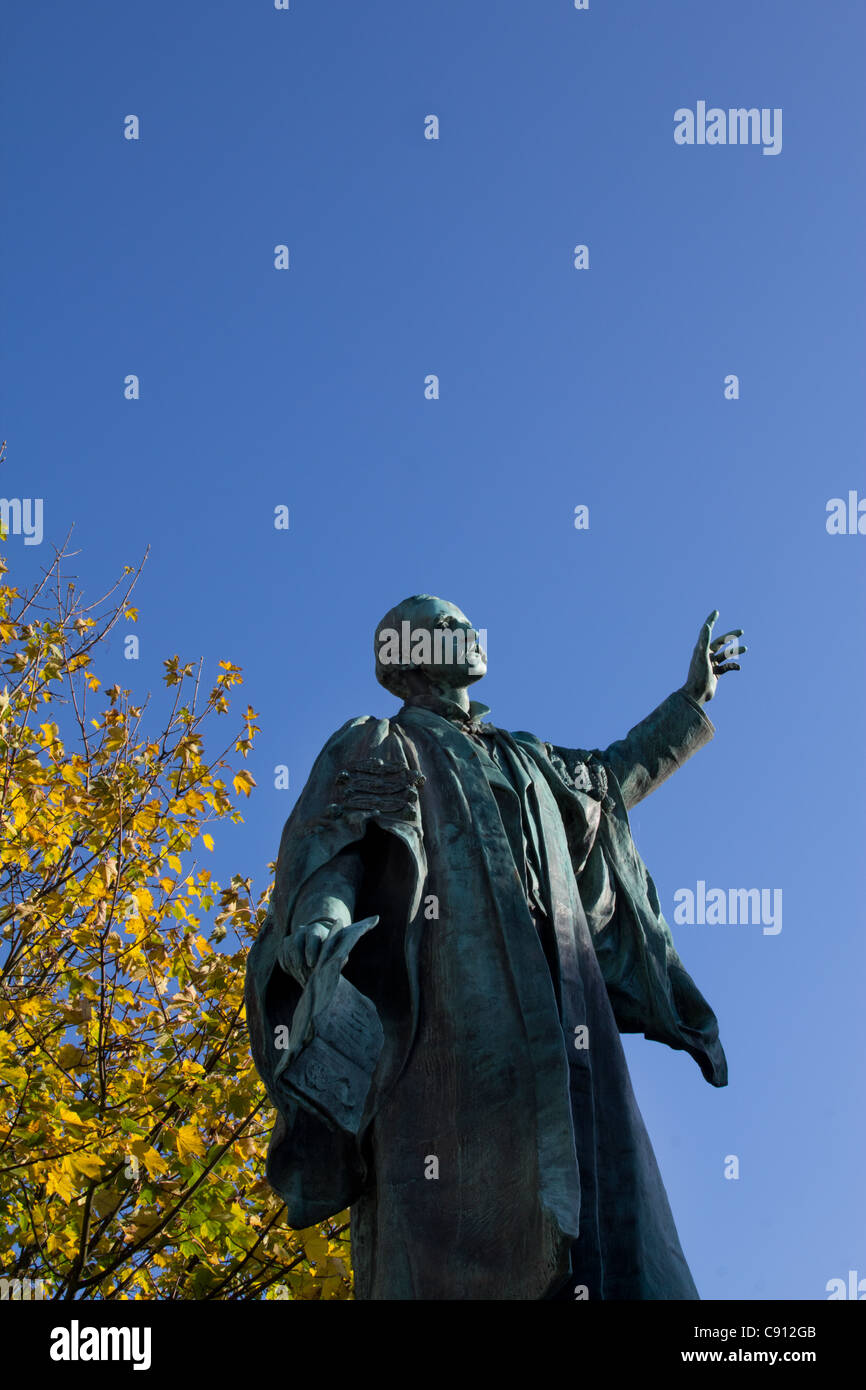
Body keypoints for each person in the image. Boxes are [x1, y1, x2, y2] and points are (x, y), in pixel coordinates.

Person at [245, 595, 746, 1299]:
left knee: (609, 1215)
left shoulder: (526, 758)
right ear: (408, 655)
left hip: (563, 998)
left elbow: (610, 781)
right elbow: (335, 847)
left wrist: (689, 702)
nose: (466, 631)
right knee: (459, 1209)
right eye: (445, 624)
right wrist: (321, 925)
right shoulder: (378, 744)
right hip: (454, 1002)